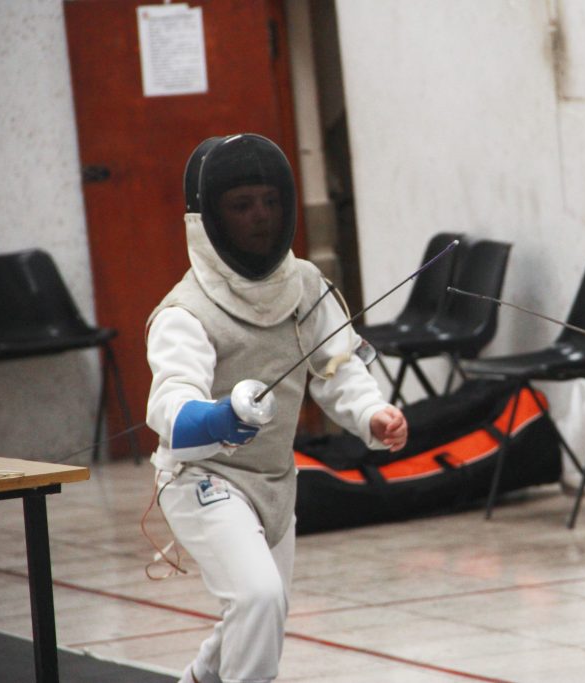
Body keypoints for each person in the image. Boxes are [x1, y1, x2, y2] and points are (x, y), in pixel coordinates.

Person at [145, 133, 407, 683]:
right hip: (202, 480)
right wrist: (222, 417)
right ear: (207, 218)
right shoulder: (183, 312)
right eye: (241, 205)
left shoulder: (305, 285)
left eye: (269, 201)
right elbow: (171, 407)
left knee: (260, 612)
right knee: (259, 599)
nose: (260, 217)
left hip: (274, 481)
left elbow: (338, 368)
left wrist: (372, 414)